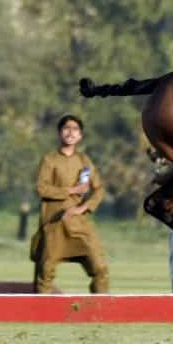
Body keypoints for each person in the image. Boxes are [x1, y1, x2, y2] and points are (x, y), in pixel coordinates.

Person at [32, 115, 108, 293]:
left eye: (75, 129)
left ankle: (100, 310)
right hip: (54, 222)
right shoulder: (50, 160)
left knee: (100, 267)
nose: (70, 132)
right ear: (60, 133)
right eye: (66, 128)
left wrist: (84, 207)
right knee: (46, 270)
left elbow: (99, 189)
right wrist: (71, 190)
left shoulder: (84, 160)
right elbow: (42, 189)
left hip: (78, 223)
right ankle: (40, 313)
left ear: (80, 136)